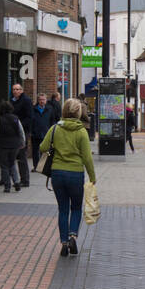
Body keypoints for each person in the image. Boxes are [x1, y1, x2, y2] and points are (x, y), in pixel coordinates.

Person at [39, 98, 97, 257]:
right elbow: (87, 158)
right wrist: (92, 177)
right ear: (78, 113)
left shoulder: (55, 129)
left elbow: (43, 147)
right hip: (75, 174)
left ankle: (64, 243)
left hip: (57, 173)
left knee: (63, 209)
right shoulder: (81, 131)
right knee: (76, 207)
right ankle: (73, 236)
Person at [0, 101, 25, 193]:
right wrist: (22, 142)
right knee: (12, 163)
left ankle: (7, 186)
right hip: (15, 145)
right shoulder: (16, 119)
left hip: (3, 146)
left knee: (4, 166)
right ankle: (16, 182)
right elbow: (21, 132)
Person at [9, 83, 33, 188]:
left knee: (21, 155)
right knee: (10, 155)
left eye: (17, 89)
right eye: (14, 89)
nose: (15, 91)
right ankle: (6, 178)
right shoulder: (11, 101)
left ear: (21, 90)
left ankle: (25, 180)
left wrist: (19, 125)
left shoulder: (26, 101)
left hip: (22, 131)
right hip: (12, 131)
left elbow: (30, 117)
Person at [31, 93, 51, 167]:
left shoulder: (49, 109)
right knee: (35, 151)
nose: (42, 101)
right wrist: (32, 131)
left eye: (43, 99)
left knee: (45, 151)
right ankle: (36, 166)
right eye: (40, 99)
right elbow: (31, 121)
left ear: (46, 100)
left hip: (46, 133)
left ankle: (43, 166)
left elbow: (52, 121)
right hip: (35, 133)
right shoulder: (33, 109)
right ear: (38, 100)